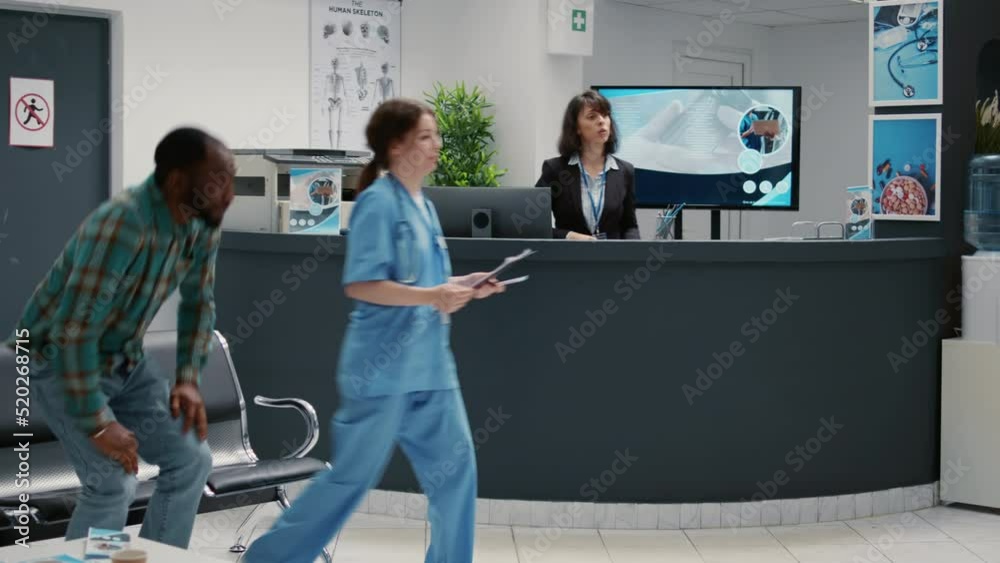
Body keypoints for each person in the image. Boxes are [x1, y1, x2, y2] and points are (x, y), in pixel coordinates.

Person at [244, 98, 505, 563]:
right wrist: (433, 295)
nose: (437, 145)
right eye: (426, 136)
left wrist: (465, 285)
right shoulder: (376, 204)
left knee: (457, 474)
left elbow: (426, 281)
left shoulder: (423, 204)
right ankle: (268, 558)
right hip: (382, 372)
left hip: (432, 371)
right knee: (349, 480)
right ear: (397, 146)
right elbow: (362, 284)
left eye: (435, 135)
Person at [4, 127, 236, 547]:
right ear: (179, 180)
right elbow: (74, 330)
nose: (229, 193)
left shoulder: (202, 223)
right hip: (56, 358)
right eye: (218, 179)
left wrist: (187, 378)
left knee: (190, 460)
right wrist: (96, 422)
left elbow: (199, 302)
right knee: (111, 482)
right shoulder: (123, 223)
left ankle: (159, 558)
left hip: (124, 359)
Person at [536, 90, 640, 240]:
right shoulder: (556, 169)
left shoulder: (625, 171)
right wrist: (570, 236)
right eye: (592, 117)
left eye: (605, 115)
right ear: (576, 127)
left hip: (612, 259)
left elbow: (629, 225)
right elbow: (535, 224)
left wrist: (633, 254)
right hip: (568, 258)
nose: (601, 121)